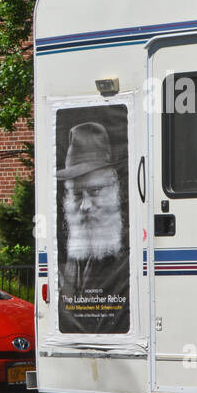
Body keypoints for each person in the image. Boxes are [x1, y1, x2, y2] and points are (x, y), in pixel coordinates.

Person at [56, 122, 129, 334]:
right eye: (77, 194)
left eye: (95, 191)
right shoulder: (71, 259)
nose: (85, 206)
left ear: (114, 187)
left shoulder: (128, 255)